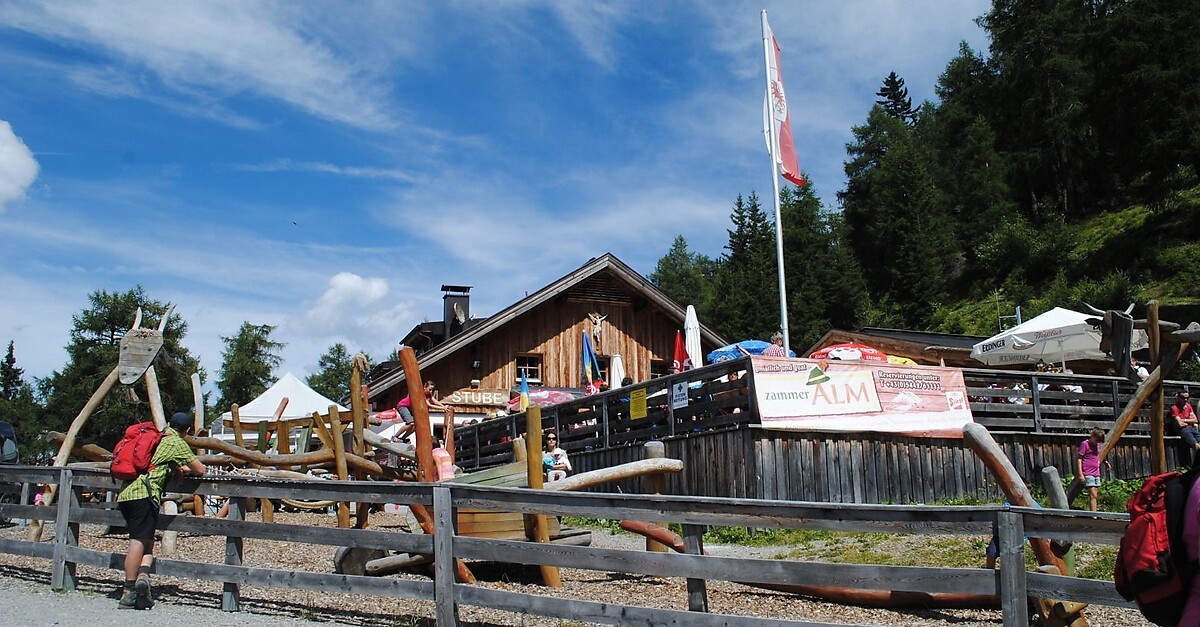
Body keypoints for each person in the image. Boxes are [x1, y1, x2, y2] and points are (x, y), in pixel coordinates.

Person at [116, 411, 206, 609]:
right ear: (187, 430)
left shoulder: (157, 437)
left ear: (168, 423)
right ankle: (128, 592)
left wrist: (175, 467)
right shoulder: (176, 442)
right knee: (137, 541)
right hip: (143, 495)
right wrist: (183, 468)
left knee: (147, 539)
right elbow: (200, 469)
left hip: (126, 493)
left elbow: (156, 461)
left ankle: (143, 577)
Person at [1076, 427, 1110, 512]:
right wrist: (1080, 474)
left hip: (1096, 472)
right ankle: (1093, 515)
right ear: (1092, 436)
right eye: (1097, 440)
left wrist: (1105, 462)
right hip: (1088, 473)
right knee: (1093, 495)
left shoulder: (1097, 445)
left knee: (1095, 496)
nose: (1097, 442)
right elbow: (1079, 458)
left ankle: (1094, 513)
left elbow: (1098, 455)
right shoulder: (1085, 444)